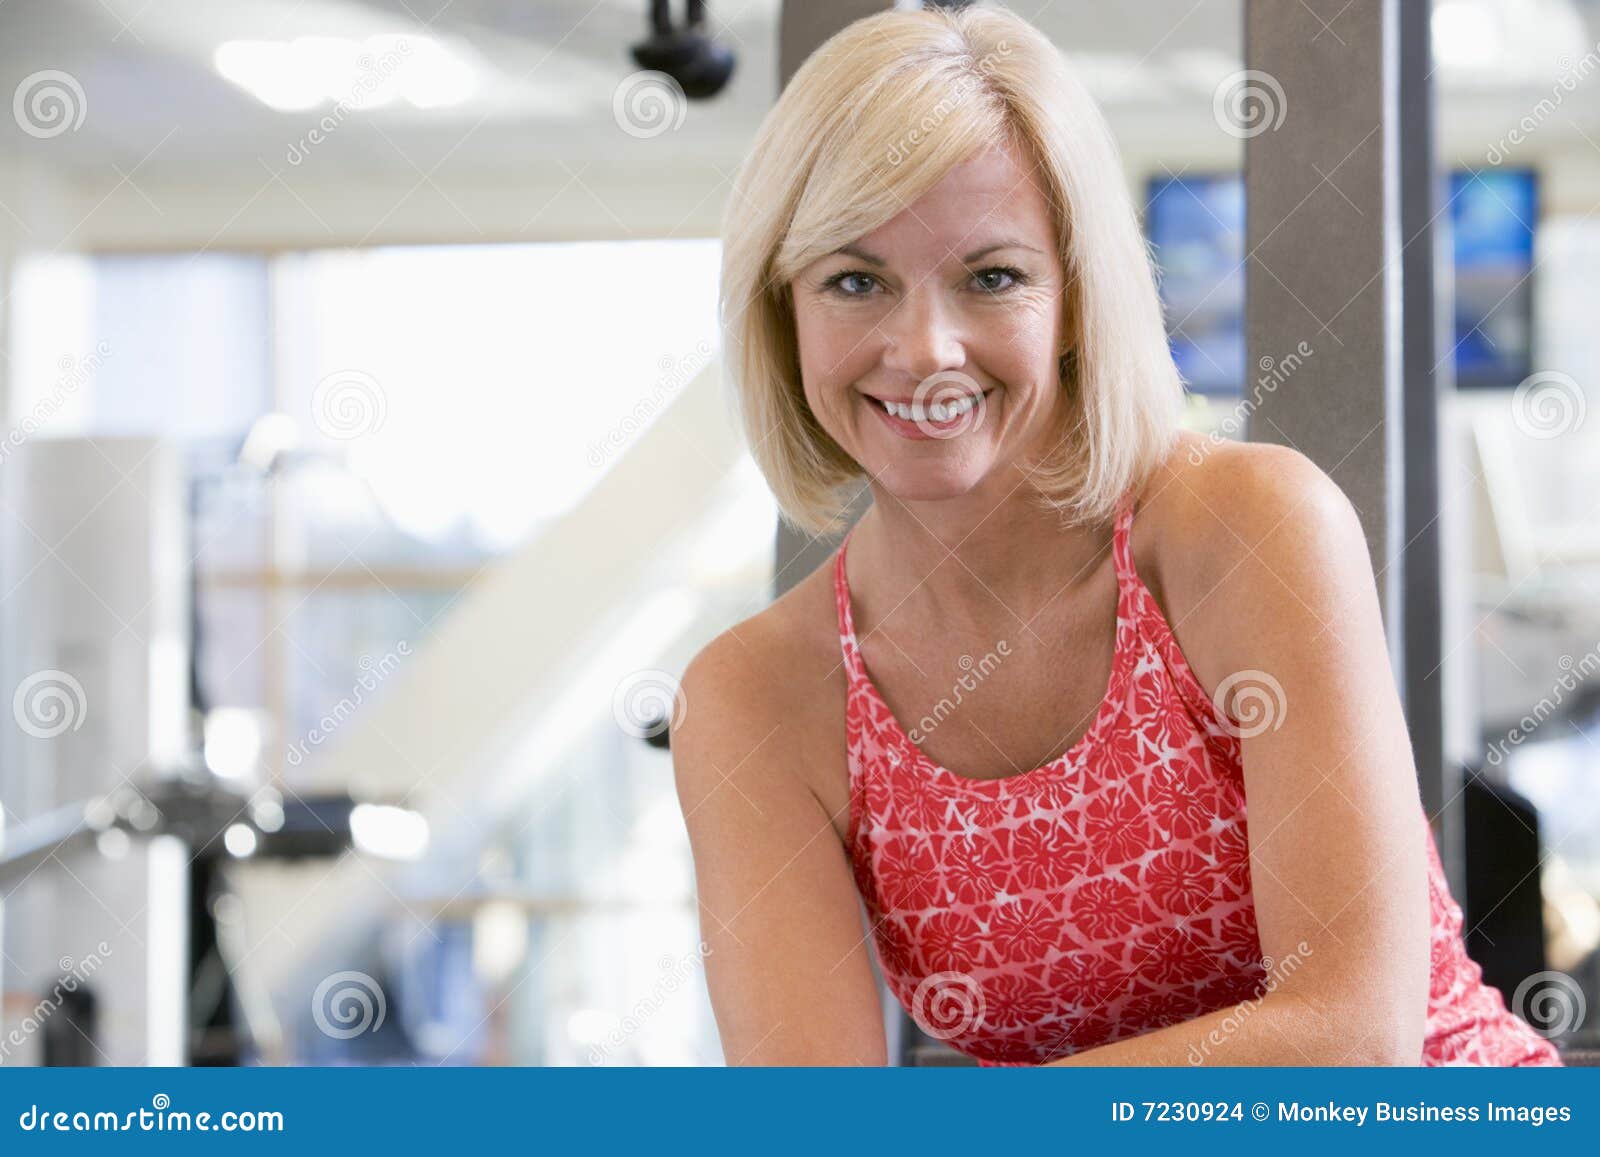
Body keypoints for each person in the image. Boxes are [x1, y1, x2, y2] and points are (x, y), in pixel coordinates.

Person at [669, 4, 1561, 1067]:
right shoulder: (753, 700)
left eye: (990, 276)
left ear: (1078, 300)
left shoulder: (1245, 527)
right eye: (854, 281)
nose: (924, 347)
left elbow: (1349, 1044)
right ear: (784, 312)